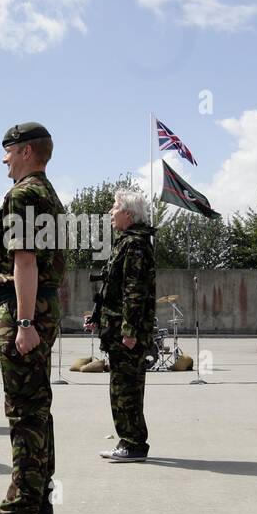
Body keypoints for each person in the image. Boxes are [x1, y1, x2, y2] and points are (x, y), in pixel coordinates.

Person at [0, 122, 66, 514]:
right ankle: (39, 497)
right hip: (42, 305)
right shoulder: (49, 195)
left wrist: (24, 324)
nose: (4, 158)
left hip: (25, 309)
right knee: (38, 406)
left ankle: (20, 513)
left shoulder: (23, 194)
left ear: (26, 151)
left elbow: (24, 260)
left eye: (7, 150)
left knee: (24, 412)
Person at [87, 189, 155, 462]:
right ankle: (129, 441)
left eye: (115, 207)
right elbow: (114, 288)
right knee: (122, 387)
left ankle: (134, 444)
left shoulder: (135, 245)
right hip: (116, 327)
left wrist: (129, 330)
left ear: (128, 213)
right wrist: (97, 317)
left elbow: (134, 291)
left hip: (126, 333)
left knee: (126, 389)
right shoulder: (127, 242)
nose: (111, 213)